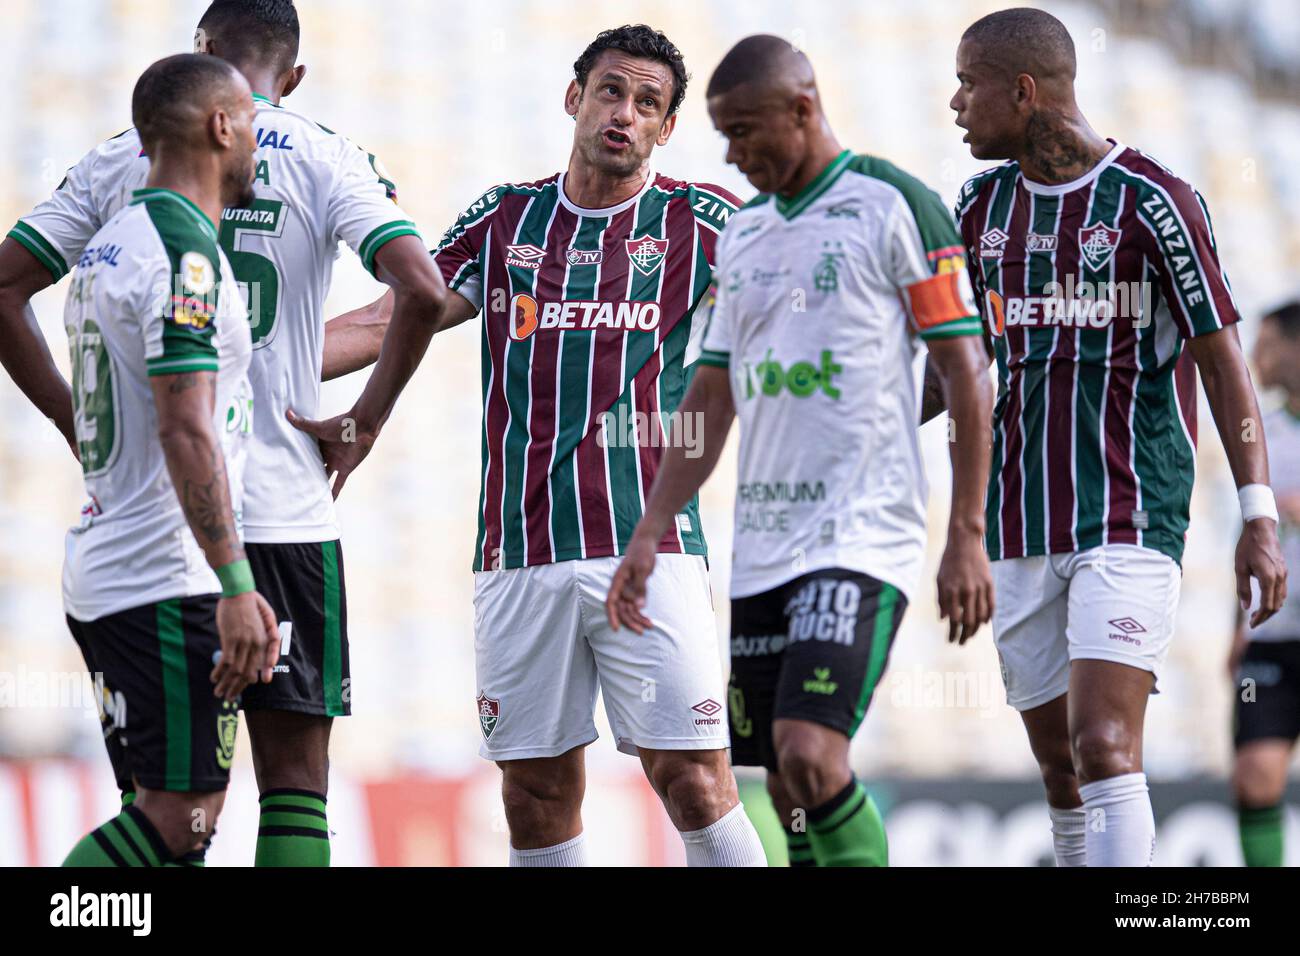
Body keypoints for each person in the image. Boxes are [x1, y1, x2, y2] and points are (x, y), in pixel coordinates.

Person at [292, 24, 766, 866]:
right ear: (574, 98)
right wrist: (249, 370)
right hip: (518, 553)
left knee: (694, 779)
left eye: (647, 103)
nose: (624, 113)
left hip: (647, 551)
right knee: (537, 797)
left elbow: (801, 294)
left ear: (665, 128)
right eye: (611, 91)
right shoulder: (507, 217)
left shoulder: (703, 221)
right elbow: (390, 317)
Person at [0, 0, 446, 866]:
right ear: (290, 78)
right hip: (274, 509)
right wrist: (361, 421)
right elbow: (419, 294)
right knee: (289, 786)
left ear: (198, 53)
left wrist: (71, 416)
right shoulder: (326, 155)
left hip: (151, 522)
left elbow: (6, 285)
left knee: (171, 803)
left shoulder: (124, 162)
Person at [604, 34, 994, 868]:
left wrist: (966, 531)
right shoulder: (741, 237)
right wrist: (650, 530)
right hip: (763, 550)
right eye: (723, 136)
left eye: (746, 131)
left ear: (803, 109)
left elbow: (965, 368)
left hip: (861, 535)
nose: (734, 154)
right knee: (783, 785)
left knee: (812, 755)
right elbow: (710, 393)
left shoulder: (893, 204)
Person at [943, 6, 1286, 866]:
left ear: (1022, 92)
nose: (954, 103)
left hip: (1132, 511)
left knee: (1103, 744)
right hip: (1020, 518)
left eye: (968, 83)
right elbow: (957, 366)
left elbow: (1224, 361)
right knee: (1060, 766)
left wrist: (1257, 516)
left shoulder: (1155, 202)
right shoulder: (980, 207)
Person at [60, 53, 279, 866]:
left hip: (113, 563)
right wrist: (236, 582)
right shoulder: (184, 253)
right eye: (252, 123)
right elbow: (187, 427)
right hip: (163, 575)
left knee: (168, 822)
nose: (257, 142)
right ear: (222, 126)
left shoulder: (111, 243)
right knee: (183, 811)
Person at [1229, 301, 1300, 867]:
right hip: (1271, 636)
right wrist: (1236, 624)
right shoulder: (1263, 432)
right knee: (1254, 775)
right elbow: (1248, 536)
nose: (1257, 355)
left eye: (1269, 343)